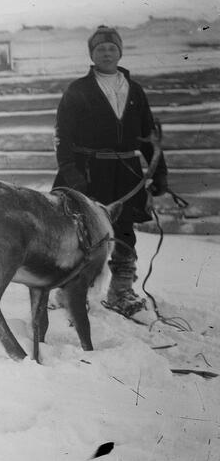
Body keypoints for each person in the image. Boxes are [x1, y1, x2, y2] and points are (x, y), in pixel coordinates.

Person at [53, 25, 168, 317]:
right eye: (100, 49)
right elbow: (63, 136)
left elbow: (148, 136)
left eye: (111, 48)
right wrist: (70, 172)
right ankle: (71, 289)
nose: (106, 53)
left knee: (124, 230)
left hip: (126, 172)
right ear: (92, 54)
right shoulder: (79, 90)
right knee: (84, 231)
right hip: (89, 170)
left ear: (120, 52)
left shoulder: (135, 91)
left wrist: (159, 173)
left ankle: (121, 290)